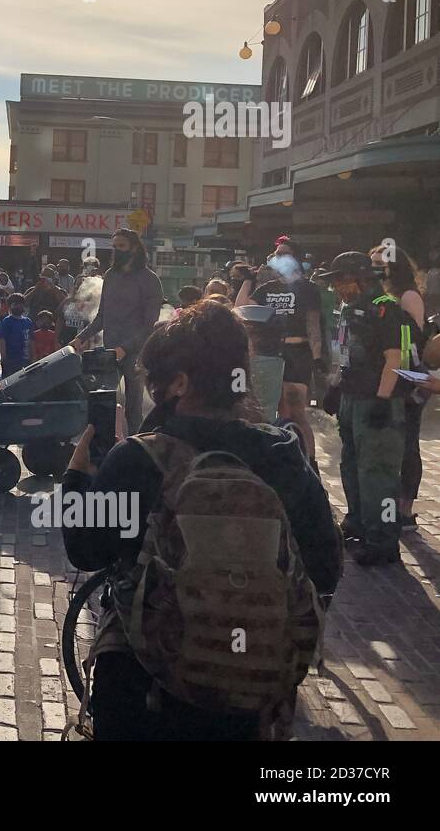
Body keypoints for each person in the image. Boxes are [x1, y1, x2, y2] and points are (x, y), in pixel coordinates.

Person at [61, 300, 340, 741]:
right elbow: (325, 569)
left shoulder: (138, 457)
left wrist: (76, 477)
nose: (150, 389)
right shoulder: (285, 455)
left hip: (142, 689)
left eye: (154, 380)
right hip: (251, 702)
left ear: (180, 383)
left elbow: (85, 549)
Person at [315, 251, 411, 566]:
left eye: (342, 280)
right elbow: (346, 355)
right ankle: (357, 523)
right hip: (352, 397)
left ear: (361, 278)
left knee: (379, 473)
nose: (338, 288)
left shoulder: (385, 311)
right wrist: (335, 388)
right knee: (351, 464)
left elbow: (394, 360)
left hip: (377, 400)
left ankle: (383, 541)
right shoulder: (350, 309)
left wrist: (383, 401)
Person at [74, 229, 164, 433]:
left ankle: (135, 446)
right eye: (114, 246)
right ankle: (103, 449)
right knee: (102, 404)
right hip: (108, 352)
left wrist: (126, 347)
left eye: (121, 246)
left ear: (135, 248)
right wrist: (79, 339)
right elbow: (102, 317)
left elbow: (149, 324)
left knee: (133, 409)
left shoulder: (149, 279)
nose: (116, 250)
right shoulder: (110, 276)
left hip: (136, 353)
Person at [243, 241, 325, 464]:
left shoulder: (308, 288)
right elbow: (241, 310)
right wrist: (249, 279)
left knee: (295, 409)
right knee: (271, 408)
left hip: (297, 352)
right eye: (276, 255)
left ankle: (309, 461)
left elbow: (313, 324)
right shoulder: (266, 289)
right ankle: (278, 458)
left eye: (285, 255)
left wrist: (317, 358)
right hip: (268, 353)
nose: (279, 258)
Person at [369, 242, 426, 530]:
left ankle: (405, 508)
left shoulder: (408, 296)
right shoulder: (378, 297)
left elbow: (416, 345)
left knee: (407, 443)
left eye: (382, 264)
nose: (377, 269)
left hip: (409, 380)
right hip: (383, 376)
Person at [0, 293, 33, 378]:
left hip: (25, 358)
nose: (18, 307)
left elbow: (32, 340)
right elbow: (2, 340)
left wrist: (33, 355)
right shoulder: (7, 321)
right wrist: (3, 356)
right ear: (10, 307)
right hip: (11, 359)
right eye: (15, 304)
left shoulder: (28, 322)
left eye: (20, 304)